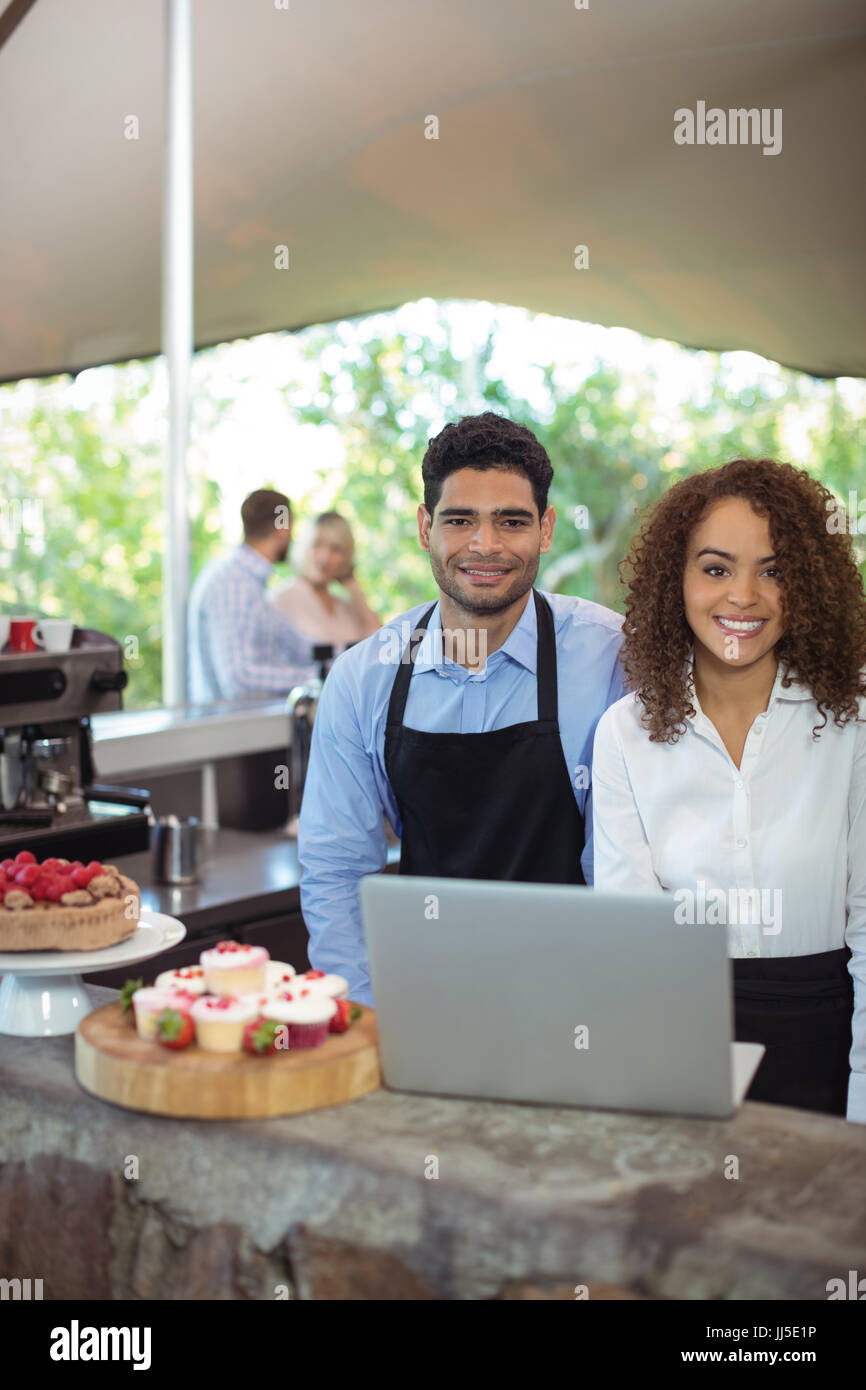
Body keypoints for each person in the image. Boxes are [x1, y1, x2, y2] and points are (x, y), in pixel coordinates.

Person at [298, 411, 628, 1005]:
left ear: (546, 529)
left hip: (579, 998)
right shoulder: (362, 680)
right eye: (460, 520)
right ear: (426, 527)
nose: (485, 545)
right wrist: (369, 1017)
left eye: (511, 521)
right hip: (425, 998)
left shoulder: (611, 657)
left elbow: (625, 868)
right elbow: (338, 872)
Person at [591, 458, 866, 1122]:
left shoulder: (855, 723)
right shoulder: (624, 734)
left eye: (773, 571)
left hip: (833, 1042)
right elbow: (632, 945)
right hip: (682, 1040)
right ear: (673, 582)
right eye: (715, 569)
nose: (743, 595)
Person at [188, 489, 316, 702]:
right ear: (283, 529)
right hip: (229, 731)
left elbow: (297, 646)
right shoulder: (233, 583)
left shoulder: (249, 583)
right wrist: (314, 678)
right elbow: (239, 679)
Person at [270, 511, 380, 649]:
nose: (325, 557)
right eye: (317, 544)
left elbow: (381, 647)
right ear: (304, 546)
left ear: (346, 556)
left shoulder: (346, 606)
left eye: (336, 549)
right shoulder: (281, 599)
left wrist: (353, 585)